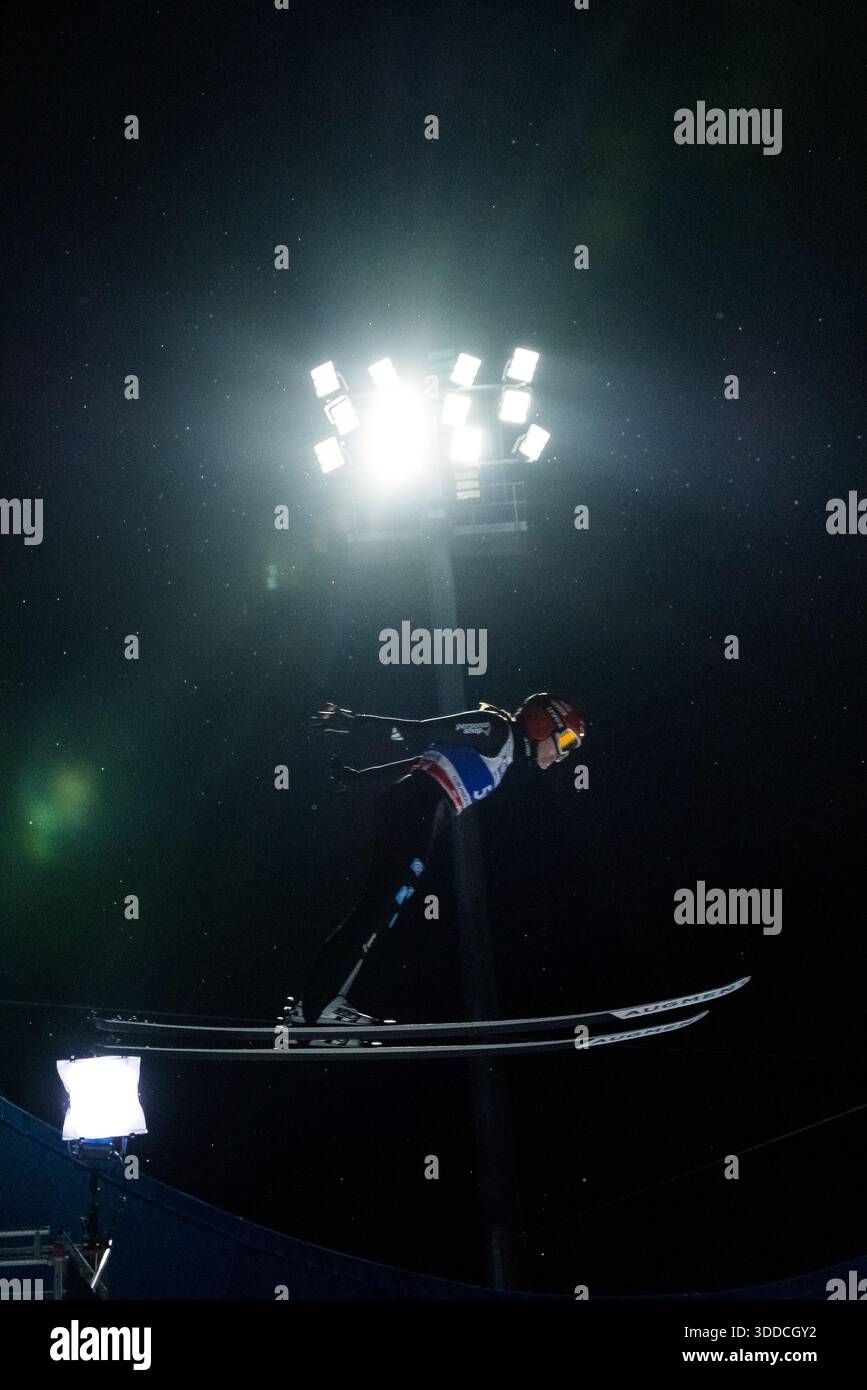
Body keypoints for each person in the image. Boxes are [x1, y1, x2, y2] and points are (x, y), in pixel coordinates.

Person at [288, 693, 586, 1026]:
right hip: (417, 812)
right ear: (544, 724)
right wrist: (357, 723)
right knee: (378, 910)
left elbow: (421, 761)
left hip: (416, 811)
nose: (564, 755)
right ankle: (318, 1007)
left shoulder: (506, 752)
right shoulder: (495, 730)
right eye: (568, 741)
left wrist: (357, 777)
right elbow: (419, 731)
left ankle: (312, 1005)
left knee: (378, 910)